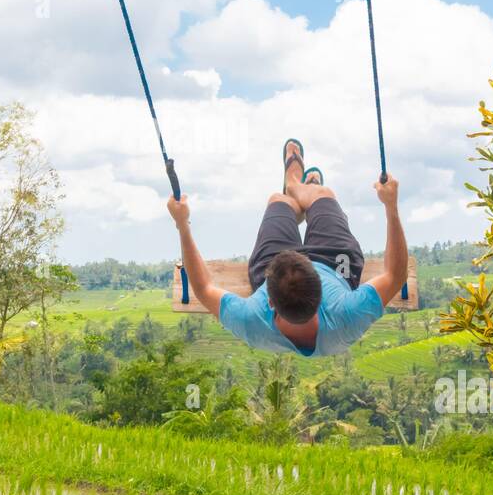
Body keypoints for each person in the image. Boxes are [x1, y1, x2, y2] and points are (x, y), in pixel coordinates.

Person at [166, 139, 408, 357]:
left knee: (277, 200)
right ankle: (302, 189)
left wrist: (182, 224)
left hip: (272, 261)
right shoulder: (345, 315)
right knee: (324, 195)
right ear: (320, 289)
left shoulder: (252, 320)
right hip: (336, 264)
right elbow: (395, 276)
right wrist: (391, 207)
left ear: (270, 302)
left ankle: (294, 191)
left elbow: (203, 287)